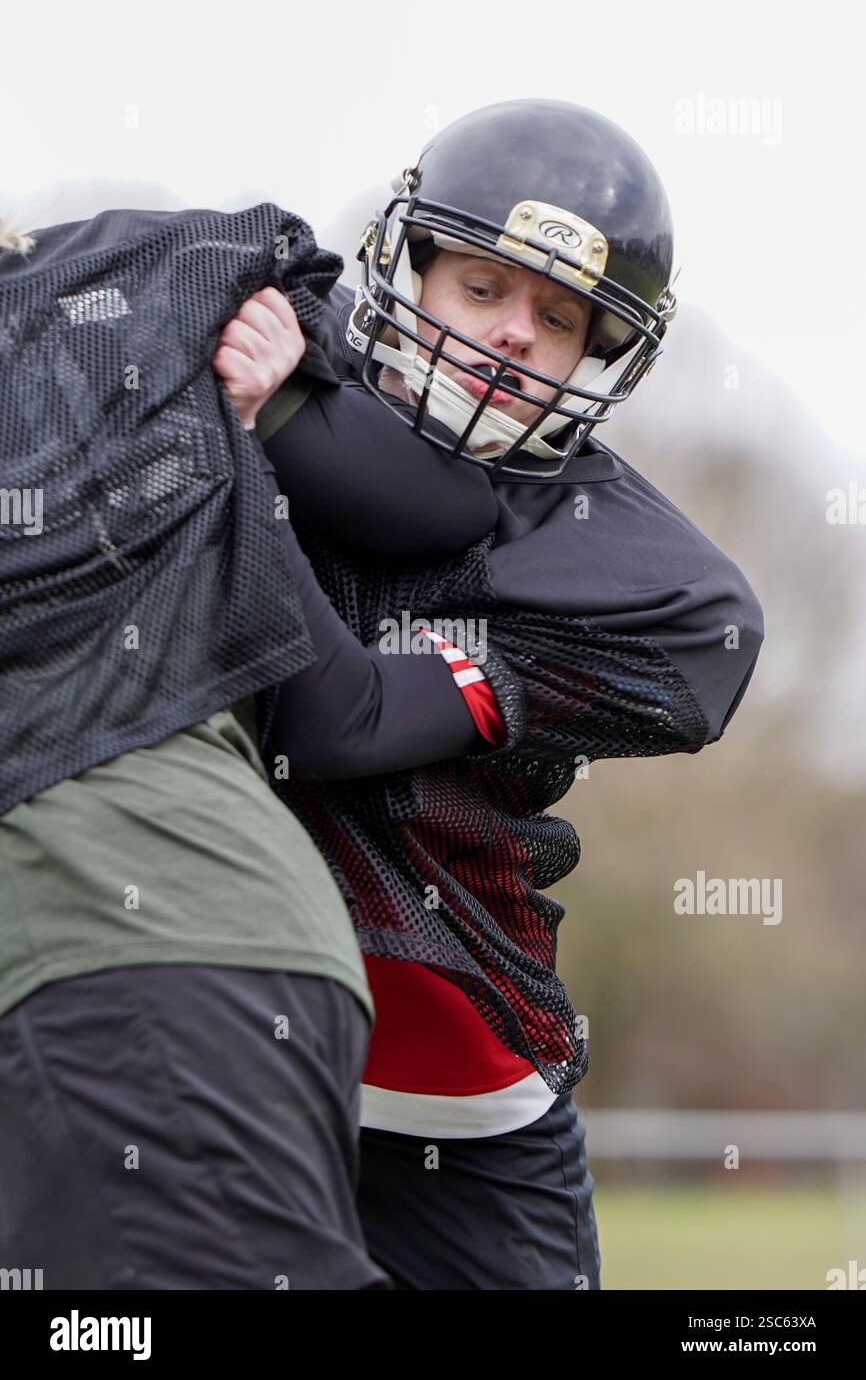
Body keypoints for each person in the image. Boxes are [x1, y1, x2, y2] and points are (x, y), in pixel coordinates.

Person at [251, 99, 766, 1289]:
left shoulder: (636, 584)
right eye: (482, 288)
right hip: (215, 1062)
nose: (515, 336)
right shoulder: (267, 341)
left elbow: (333, 720)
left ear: (599, 353)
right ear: (410, 269)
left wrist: (253, 432)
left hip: (457, 1103)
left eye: (557, 316)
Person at [0, 204, 506, 1290]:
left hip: (148, 947)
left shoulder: (126, 286)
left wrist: (275, 397)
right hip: (129, 959)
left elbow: (451, 502)